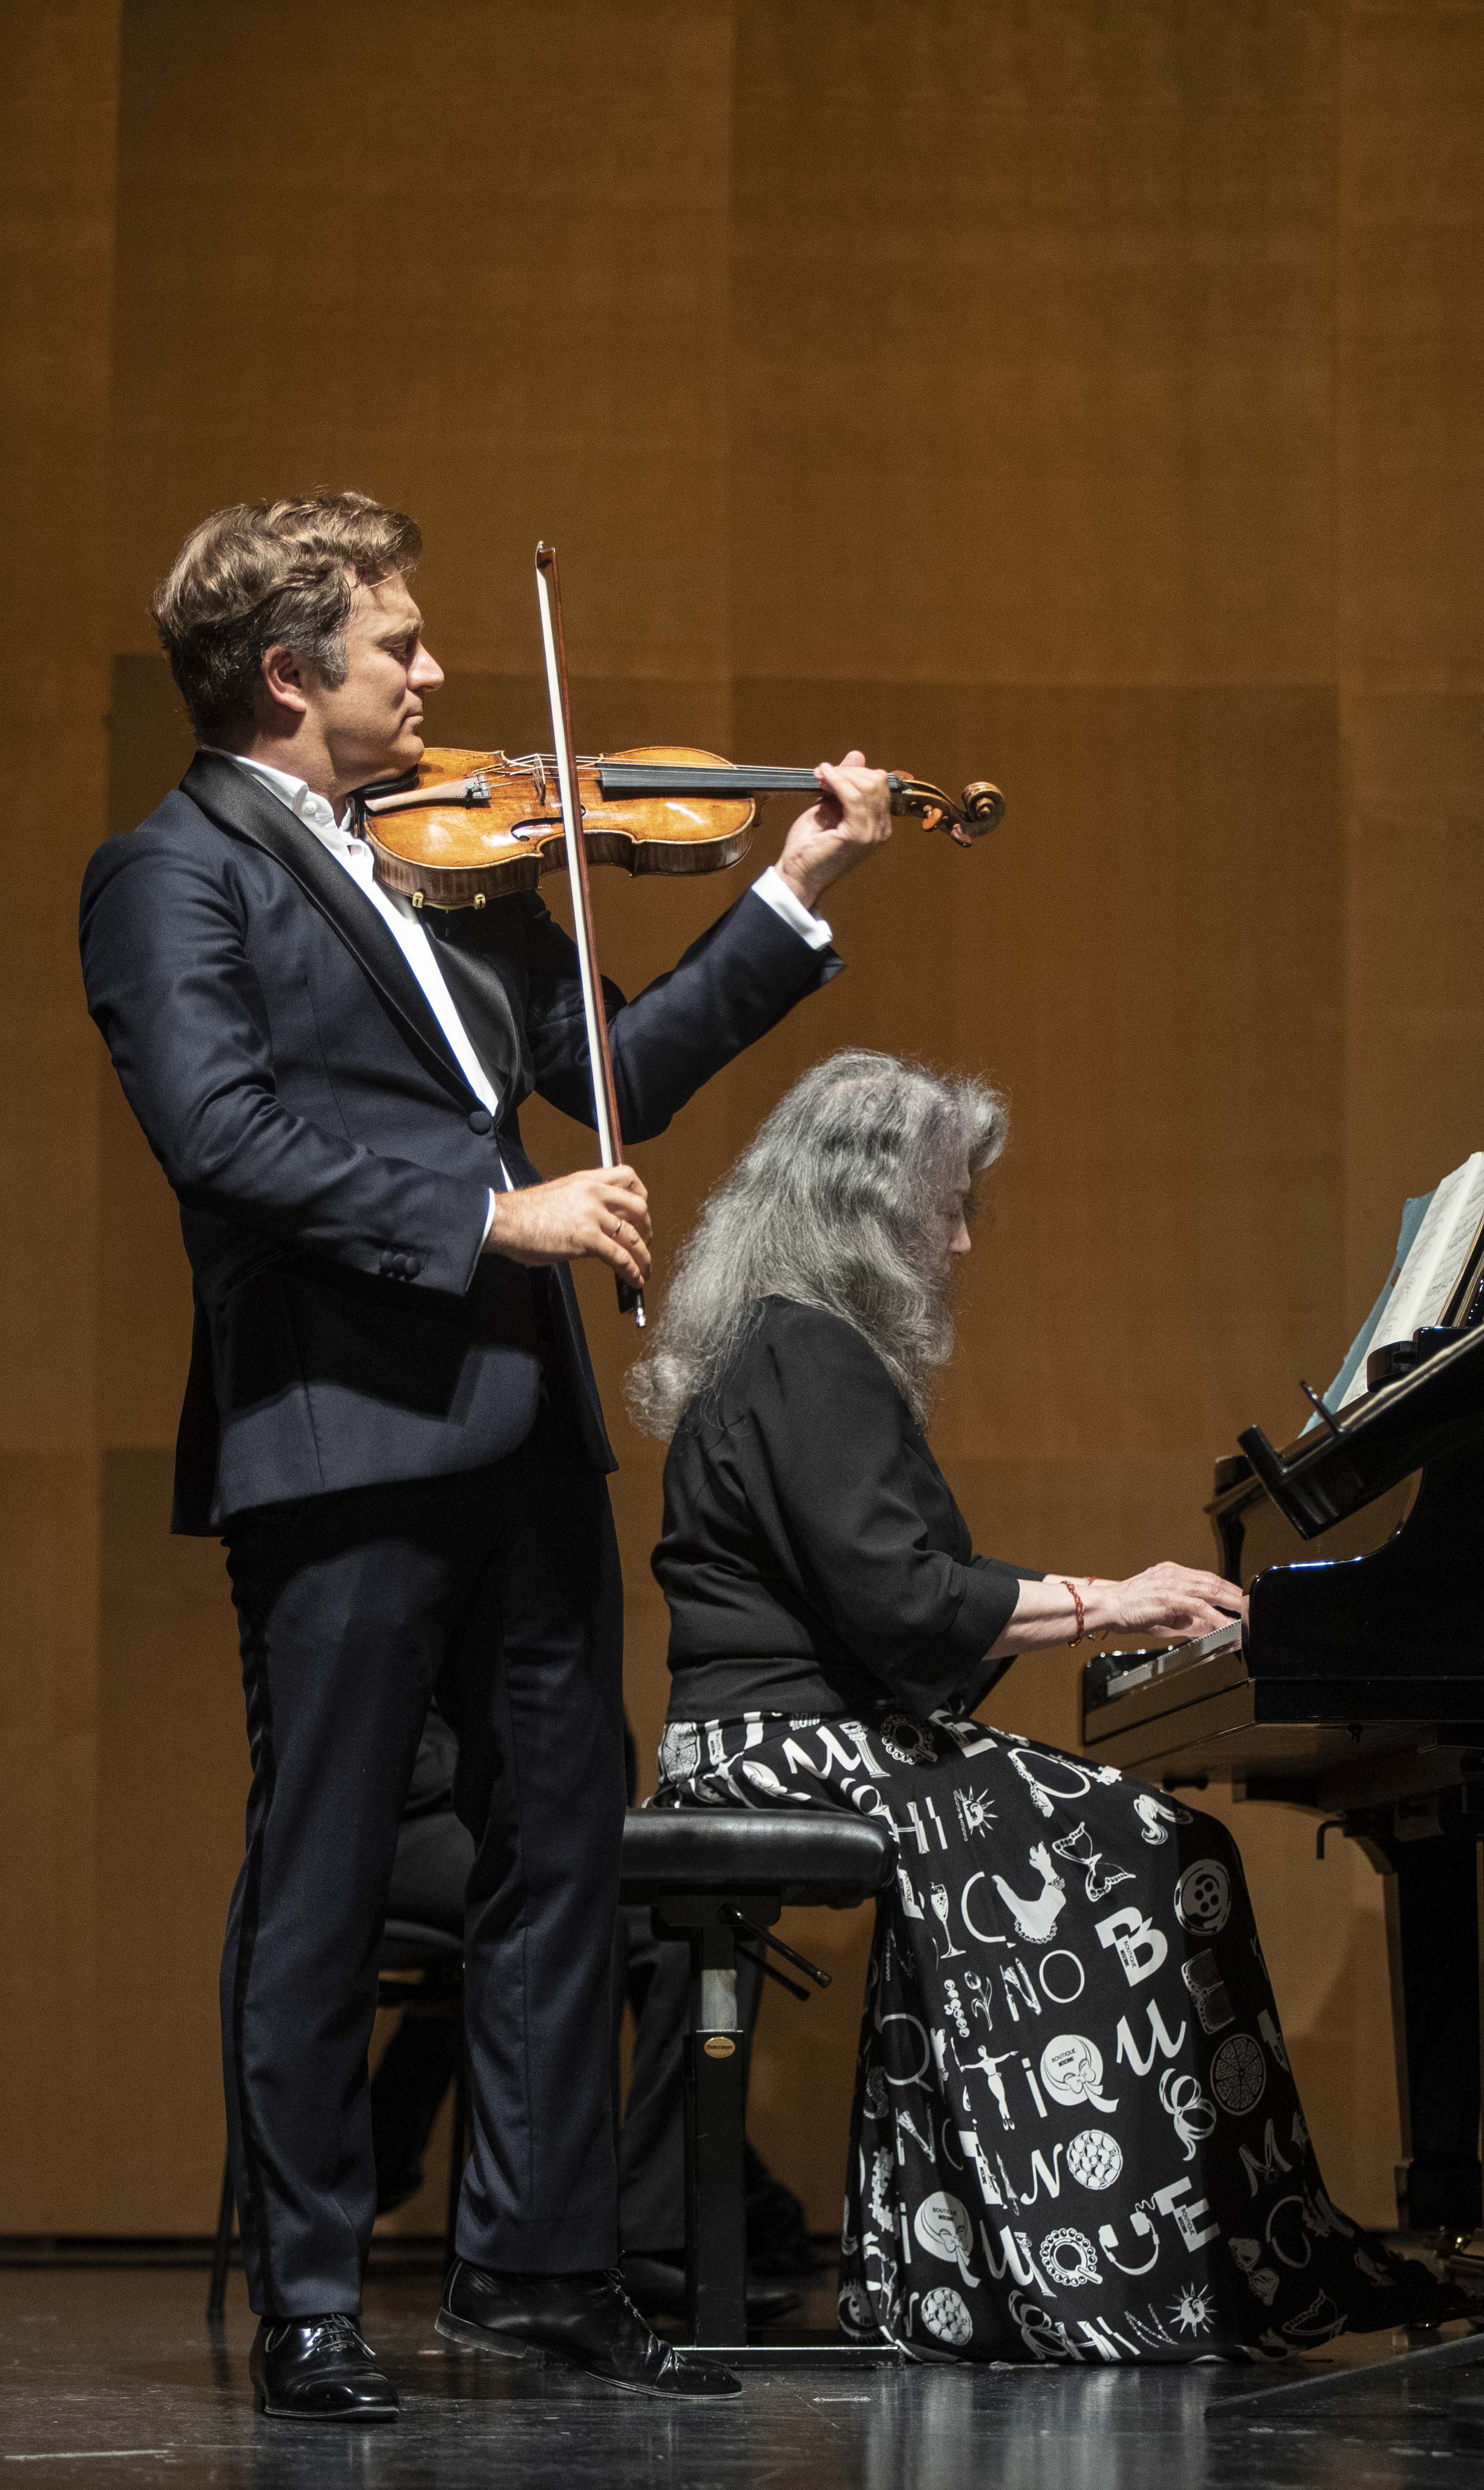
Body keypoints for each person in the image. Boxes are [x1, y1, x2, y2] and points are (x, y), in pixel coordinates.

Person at [79, 494, 894, 2421]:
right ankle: (310, 2297)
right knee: (329, 1868)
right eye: (402, 648)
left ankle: (534, 2267)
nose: (442, 680)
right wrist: (489, 1221)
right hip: (338, 1435)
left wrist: (793, 893)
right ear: (289, 677)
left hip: (521, 1432)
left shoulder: (458, 870)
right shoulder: (170, 873)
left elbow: (613, 1068)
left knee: (560, 1854)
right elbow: (224, 1135)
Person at [633, 1051, 1453, 2364]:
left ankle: (1100, 2260)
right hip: (782, 1744)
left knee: (1155, 1838)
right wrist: (1113, 1597)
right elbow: (901, 1601)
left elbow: (899, 1605)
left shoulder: (787, 1339)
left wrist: (1080, 1605)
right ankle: (1122, 2272)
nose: (961, 1236)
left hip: (785, 1732)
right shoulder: (810, 1349)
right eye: (943, 1205)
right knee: (1142, 1844)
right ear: (866, 1209)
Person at [369, 1707, 811, 2325]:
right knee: (566, 1904)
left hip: (531, 1812)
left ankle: (650, 2234)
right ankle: (562, 2241)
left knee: (704, 1916)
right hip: (410, 1819)